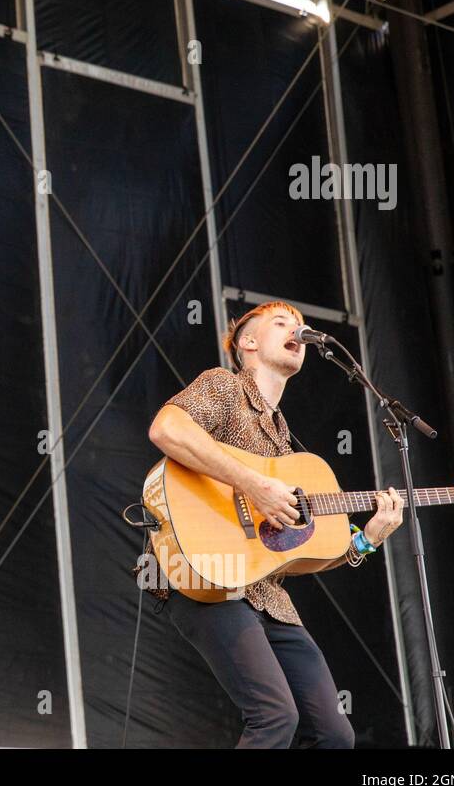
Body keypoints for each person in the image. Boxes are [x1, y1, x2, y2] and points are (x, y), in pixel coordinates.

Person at [146, 301, 404, 748]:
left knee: (334, 734)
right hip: (204, 573)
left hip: (267, 594)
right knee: (274, 717)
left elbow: (298, 555)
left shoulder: (283, 446)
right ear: (248, 342)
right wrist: (254, 485)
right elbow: (166, 430)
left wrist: (367, 539)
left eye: (302, 325)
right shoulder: (223, 386)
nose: (298, 330)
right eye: (282, 323)